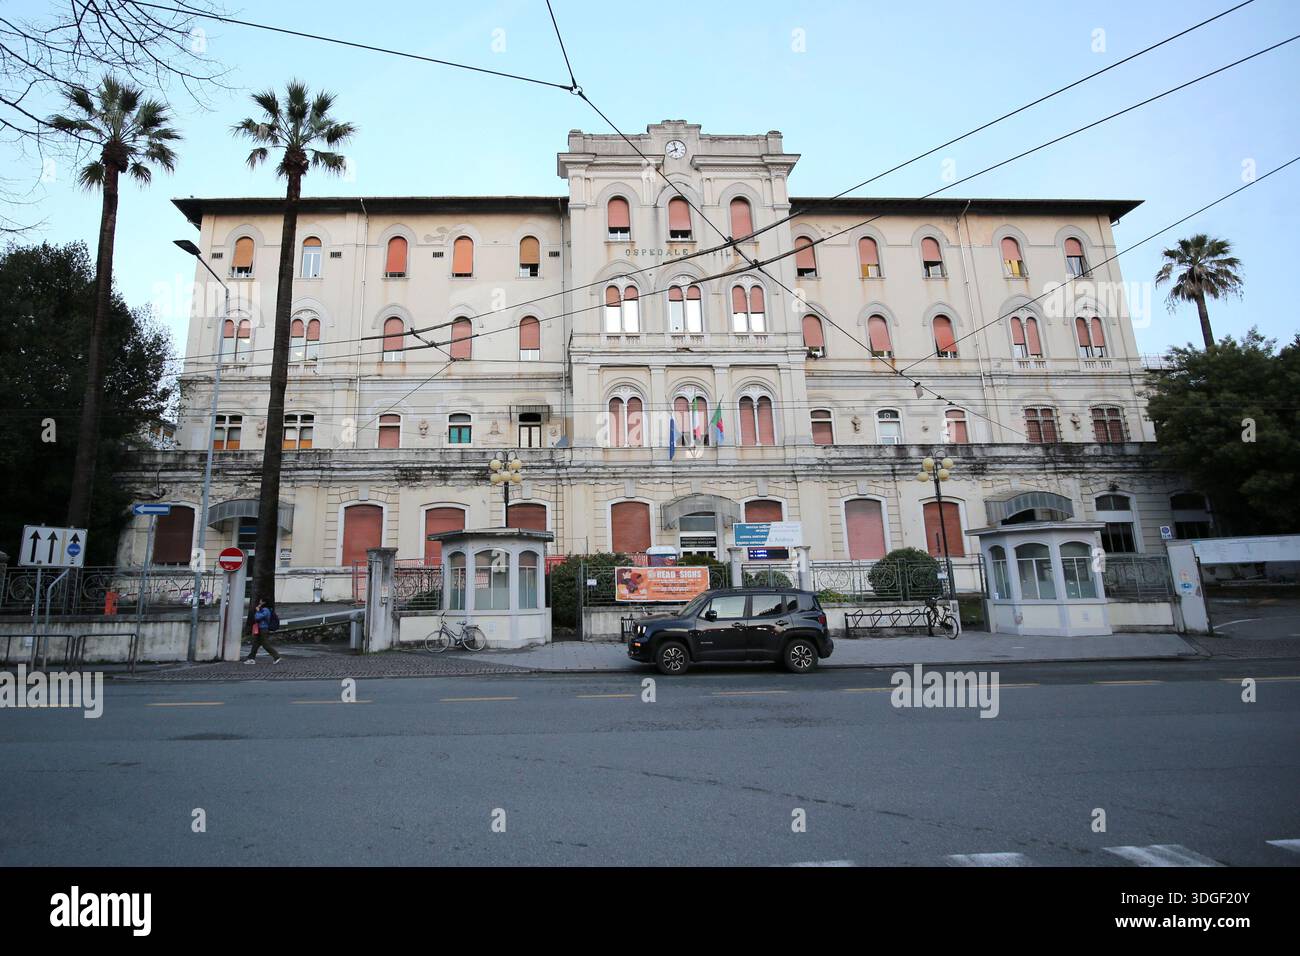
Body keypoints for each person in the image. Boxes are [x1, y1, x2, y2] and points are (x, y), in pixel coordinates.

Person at [244, 598, 283, 663]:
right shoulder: (265, 609)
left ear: (264, 602)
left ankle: (276, 656)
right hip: (260, 628)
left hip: (263, 629)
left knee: (265, 644)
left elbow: (257, 617)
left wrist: (258, 611)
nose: (259, 601)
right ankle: (251, 658)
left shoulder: (265, 610)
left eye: (261, 601)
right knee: (255, 644)